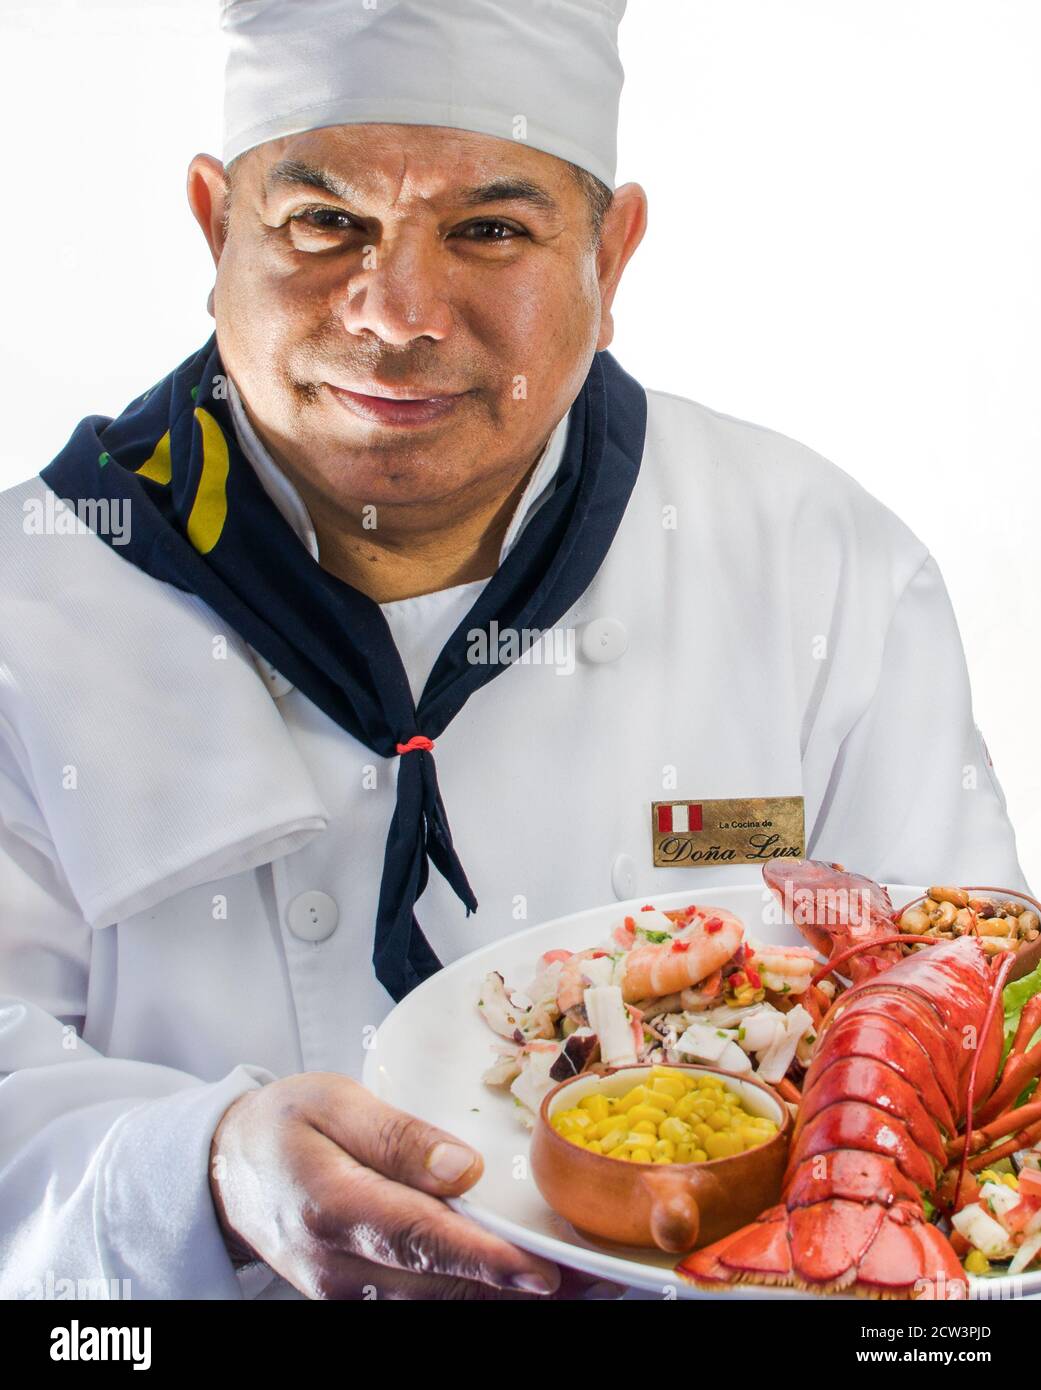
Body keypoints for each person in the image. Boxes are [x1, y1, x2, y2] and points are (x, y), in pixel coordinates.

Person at [0, 0, 1027, 1301]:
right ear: (214, 227)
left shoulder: (820, 566)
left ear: (612, 255)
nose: (398, 312)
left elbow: (976, 1018)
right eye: (325, 223)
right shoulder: (28, 599)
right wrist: (196, 1176)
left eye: (488, 230)